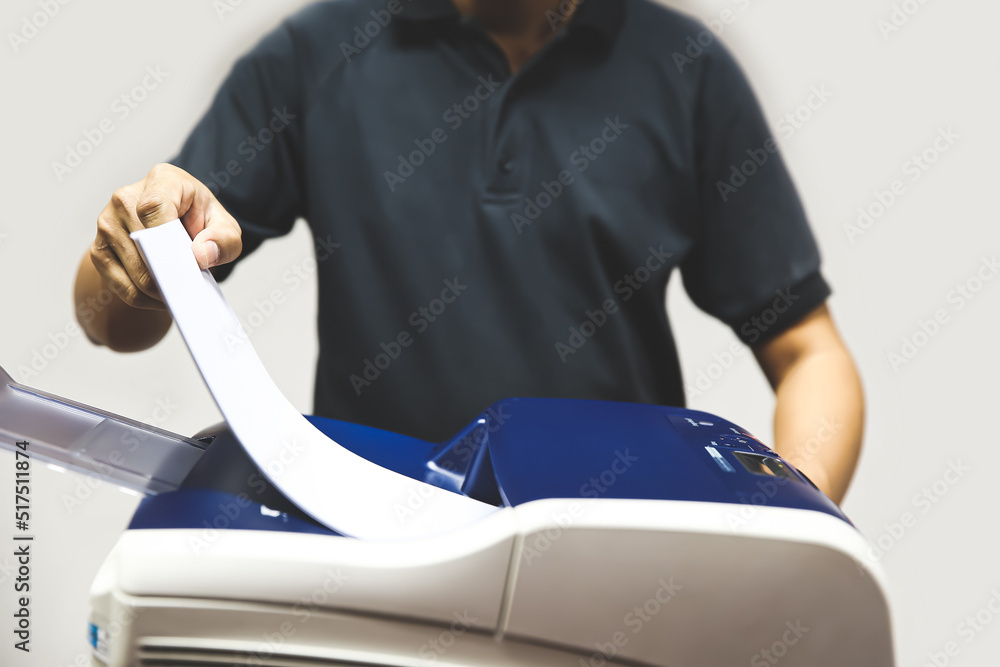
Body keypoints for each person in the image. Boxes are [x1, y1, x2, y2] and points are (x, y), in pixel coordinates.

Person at [73, 0, 864, 503]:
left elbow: (809, 355)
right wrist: (134, 269)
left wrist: (791, 523)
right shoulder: (312, 56)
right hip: (372, 560)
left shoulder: (684, 71)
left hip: (620, 579)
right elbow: (120, 319)